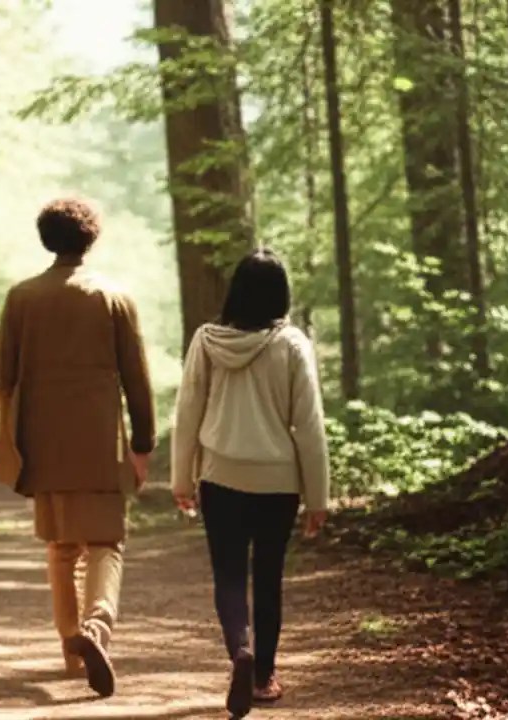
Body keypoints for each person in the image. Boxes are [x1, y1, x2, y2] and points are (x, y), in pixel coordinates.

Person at [0, 198, 155, 698]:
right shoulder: (115, 297)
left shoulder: (21, 298)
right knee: (107, 543)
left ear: (47, 238)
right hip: (101, 441)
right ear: (91, 238)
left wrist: (11, 441)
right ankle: (97, 629)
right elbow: (136, 378)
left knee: (62, 548)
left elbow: (4, 378)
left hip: (42, 441)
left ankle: (70, 645)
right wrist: (143, 443)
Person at [170, 248, 331, 718]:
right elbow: (310, 424)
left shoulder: (206, 340)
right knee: (268, 576)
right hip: (278, 484)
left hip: (220, 478)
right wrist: (318, 496)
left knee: (228, 575)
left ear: (234, 291)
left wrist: (181, 478)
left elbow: (188, 414)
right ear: (282, 293)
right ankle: (263, 675)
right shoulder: (293, 344)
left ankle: (239, 649)